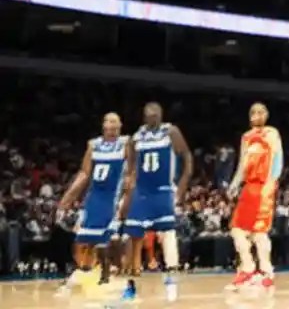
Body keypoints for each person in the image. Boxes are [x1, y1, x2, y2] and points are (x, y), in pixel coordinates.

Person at [117, 102, 193, 301]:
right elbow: (131, 170)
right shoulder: (136, 137)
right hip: (141, 192)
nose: (152, 118)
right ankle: (130, 285)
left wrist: (183, 185)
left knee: (167, 234)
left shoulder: (171, 131)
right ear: (144, 117)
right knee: (131, 237)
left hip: (163, 190)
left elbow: (186, 156)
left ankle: (171, 278)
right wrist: (126, 196)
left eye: (155, 115)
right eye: (148, 115)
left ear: (161, 115)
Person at [55, 112, 126, 294]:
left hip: (113, 198)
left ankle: (108, 274)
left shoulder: (127, 144)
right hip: (94, 198)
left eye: (114, 122)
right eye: (107, 121)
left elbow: (133, 173)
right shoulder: (93, 145)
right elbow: (84, 174)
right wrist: (66, 199)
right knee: (81, 239)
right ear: (103, 125)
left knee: (109, 240)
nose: (110, 125)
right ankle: (82, 271)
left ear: (120, 126)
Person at [227, 103, 283, 290]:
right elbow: (242, 164)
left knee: (259, 233)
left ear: (266, 115)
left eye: (260, 112)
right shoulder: (246, 137)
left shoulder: (271, 133)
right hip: (249, 188)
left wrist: (271, 182)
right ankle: (248, 267)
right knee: (237, 230)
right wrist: (234, 184)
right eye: (253, 112)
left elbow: (278, 158)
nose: (256, 115)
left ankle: (267, 271)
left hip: (264, 187)